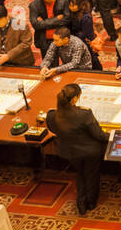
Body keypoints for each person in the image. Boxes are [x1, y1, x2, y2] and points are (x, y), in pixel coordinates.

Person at [47, 83, 110, 214]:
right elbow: (99, 135)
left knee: (81, 173)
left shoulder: (53, 115)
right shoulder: (84, 114)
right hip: (90, 152)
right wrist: (113, 136)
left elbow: (52, 128)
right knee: (91, 175)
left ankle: (81, 203)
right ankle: (90, 203)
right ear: (74, 99)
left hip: (69, 152)